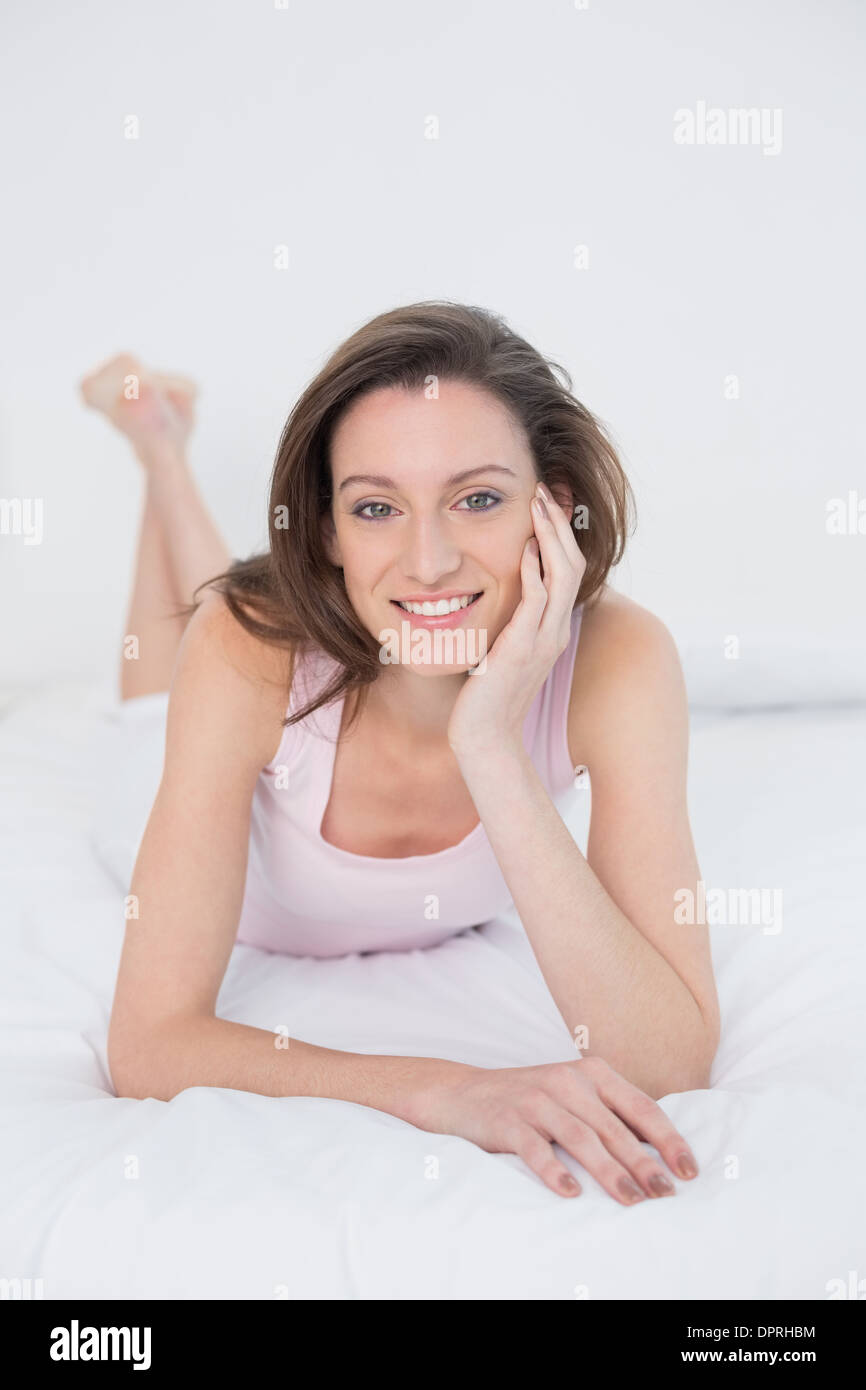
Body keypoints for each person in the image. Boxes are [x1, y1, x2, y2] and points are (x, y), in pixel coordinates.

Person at [82, 301, 720, 1206]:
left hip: (287, 667)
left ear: (557, 509)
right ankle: (160, 451)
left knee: (217, 603)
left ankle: (163, 445)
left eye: (479, 499)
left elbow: (665, 1060)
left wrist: (491, 742)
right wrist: (448, 1087)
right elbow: (148, 1045)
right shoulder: (244, 649)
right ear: (330, 533)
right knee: (197, 626)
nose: (427, 562)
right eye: (377, 507)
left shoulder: (621, 659)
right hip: (154, 766)